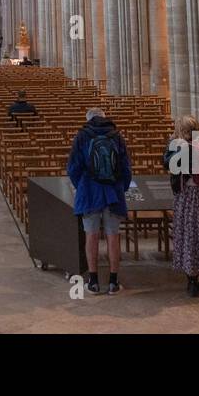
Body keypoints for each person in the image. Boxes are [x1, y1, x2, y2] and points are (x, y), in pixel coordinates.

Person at [65, 107, 132, 295]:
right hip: (113, 193)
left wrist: (83, 186)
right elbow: (126, 167)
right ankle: (113, 282)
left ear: (88, 119)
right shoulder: (116, 136)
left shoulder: (82, 136)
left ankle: (93, 281)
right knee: (113, 236)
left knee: (91, 236)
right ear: (105, 118)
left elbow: (73, 167)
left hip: (89, 192)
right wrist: (121, 187)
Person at [164, 114, 199, 297]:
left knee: (190, 237)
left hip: (188, 197)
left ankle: (191, 281)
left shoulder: (180, 147)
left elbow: (167, 164)